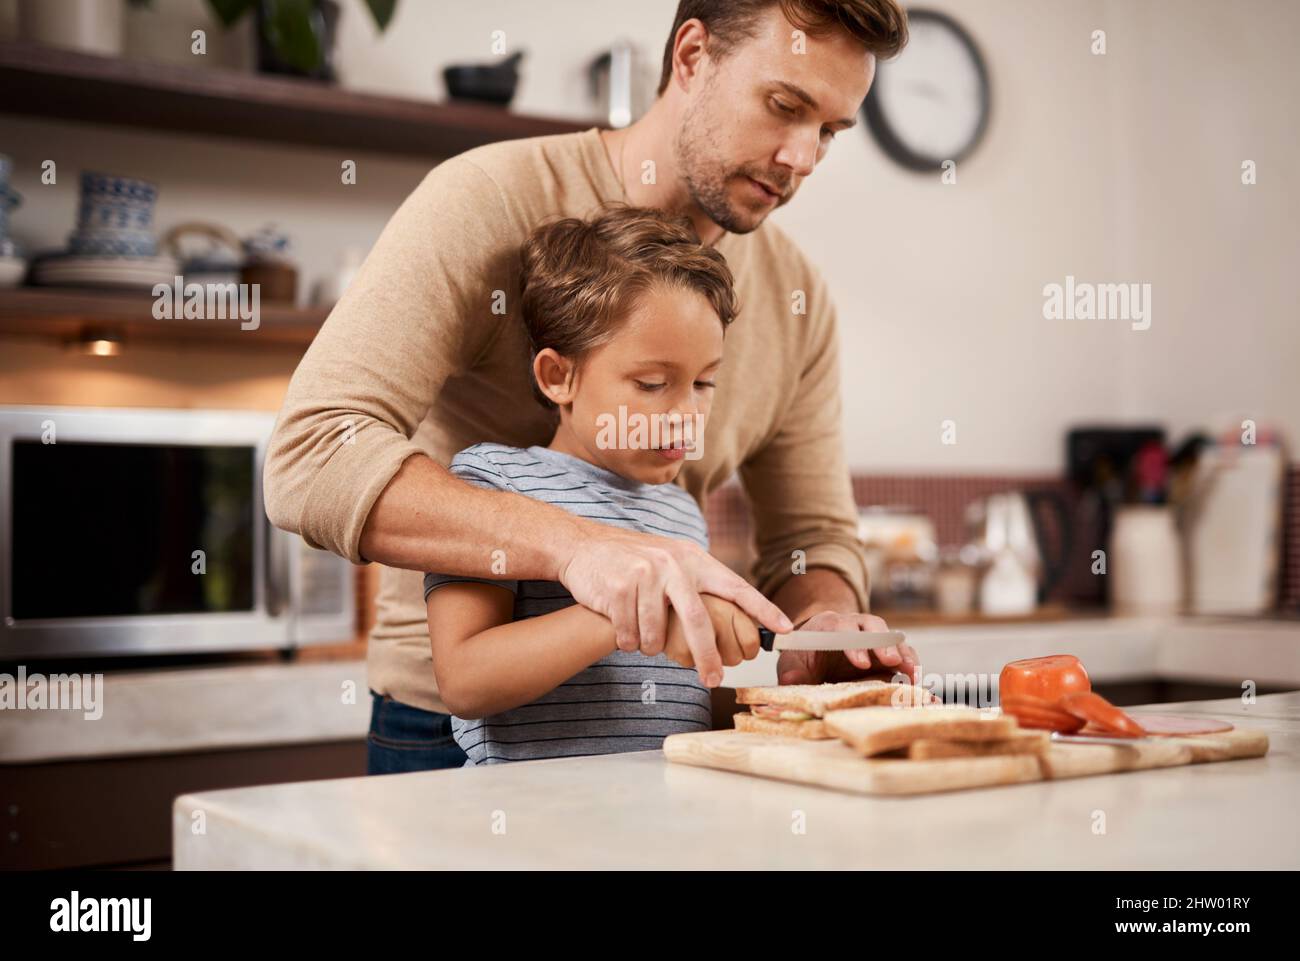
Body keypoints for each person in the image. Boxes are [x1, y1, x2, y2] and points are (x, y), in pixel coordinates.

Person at [263, 0, 918, 775]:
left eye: (831, 132)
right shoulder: (486, 200)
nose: (802, 157)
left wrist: (822, 623)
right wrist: (587, 553)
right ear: (691, 56)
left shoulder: (796, 295)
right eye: (784, 106)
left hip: (660, 748)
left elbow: (811, 536)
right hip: (450, 739)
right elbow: (312, 455)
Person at [427, 204, 761, 765]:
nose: (687, 413)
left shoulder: (681, 514)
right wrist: (623, 606)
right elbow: (465, 680)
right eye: (652, 383)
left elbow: (675, 708)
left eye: (704, 382)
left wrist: (799, 703)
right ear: (559, 376)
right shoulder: (492, 484)